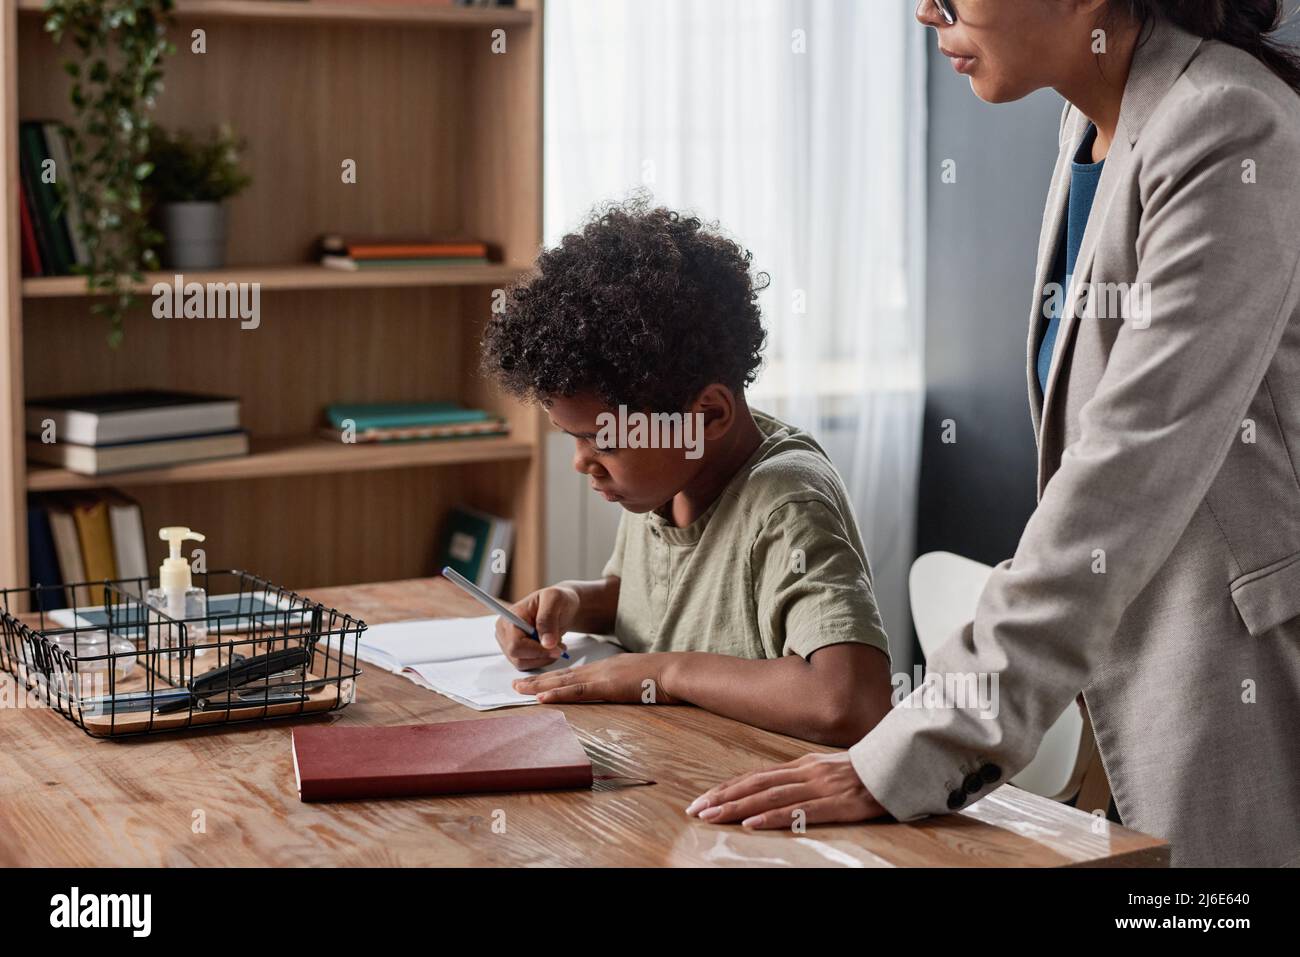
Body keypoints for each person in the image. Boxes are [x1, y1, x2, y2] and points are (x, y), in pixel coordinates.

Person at [688, 0, 1300, 867]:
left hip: (1226, 677)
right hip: (1111, 682)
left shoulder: (1228, 124)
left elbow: (1116, 485)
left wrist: (913, 751)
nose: (923, 10)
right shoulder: (1088, 125)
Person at [479, 200, 893, 747]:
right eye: (573, 438)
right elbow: (655, 599)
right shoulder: (664, 479)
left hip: (764, 803)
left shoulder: (784, 501)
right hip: (677, 772)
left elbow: (849, 702)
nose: (582, 461)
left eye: (602, 440)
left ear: (708, 415)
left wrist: (661, 673)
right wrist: (577, 600)